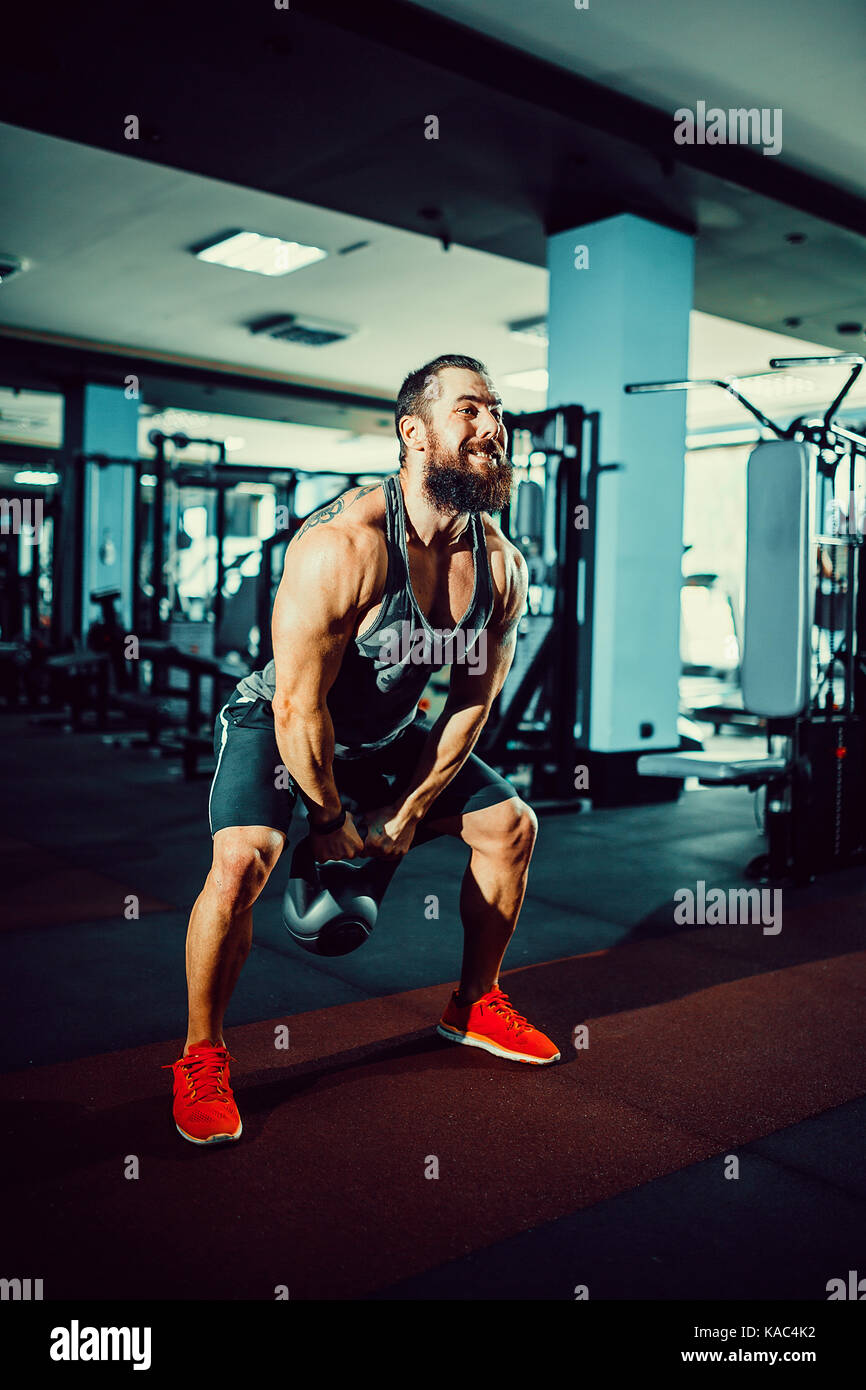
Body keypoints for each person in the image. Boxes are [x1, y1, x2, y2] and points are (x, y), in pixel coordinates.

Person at [164, 353, 560, 1145]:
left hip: (384, 733)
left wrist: (411, 811)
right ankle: (200, 1056)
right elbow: (296, 704)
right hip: (281, 726)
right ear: (414, 433)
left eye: (498, 412)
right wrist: (328, 819)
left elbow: (473, 701)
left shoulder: (502, 568)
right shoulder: (343, 546)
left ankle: (472, 1002)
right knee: (242, 861)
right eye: (471, 411)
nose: (493, 428)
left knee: (512, 827)